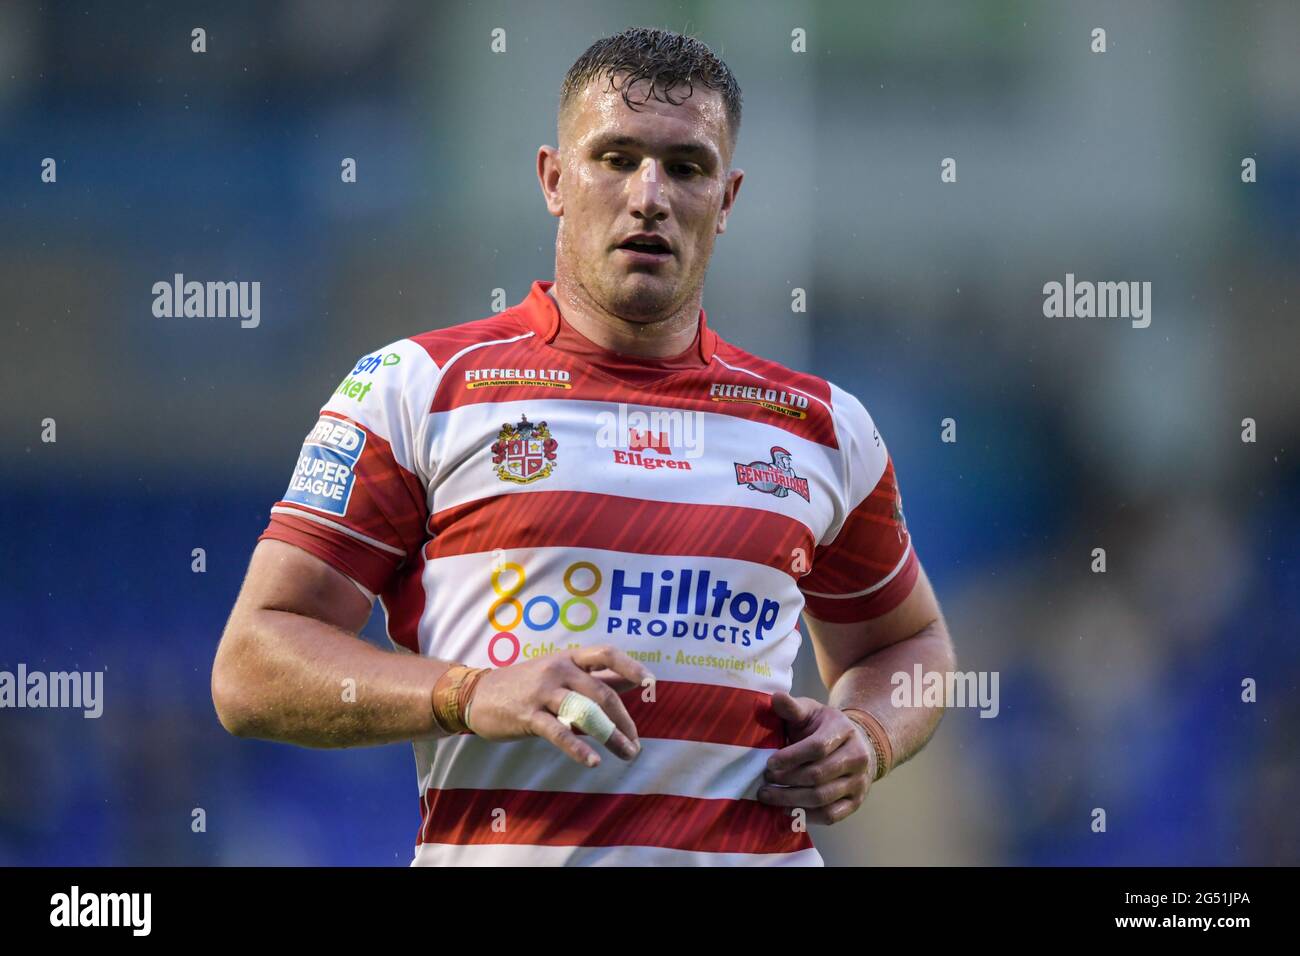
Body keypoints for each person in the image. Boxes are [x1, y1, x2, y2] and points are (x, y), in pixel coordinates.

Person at [212, 26, 955, 866]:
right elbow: (251, 667)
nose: (650, 196)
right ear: (554, 179)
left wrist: (868, 735)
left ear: (728, 197)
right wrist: (470, 692)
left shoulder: (821, 427)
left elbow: (908, 645)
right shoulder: (416, 388)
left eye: (687, 167)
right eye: (615, 158)